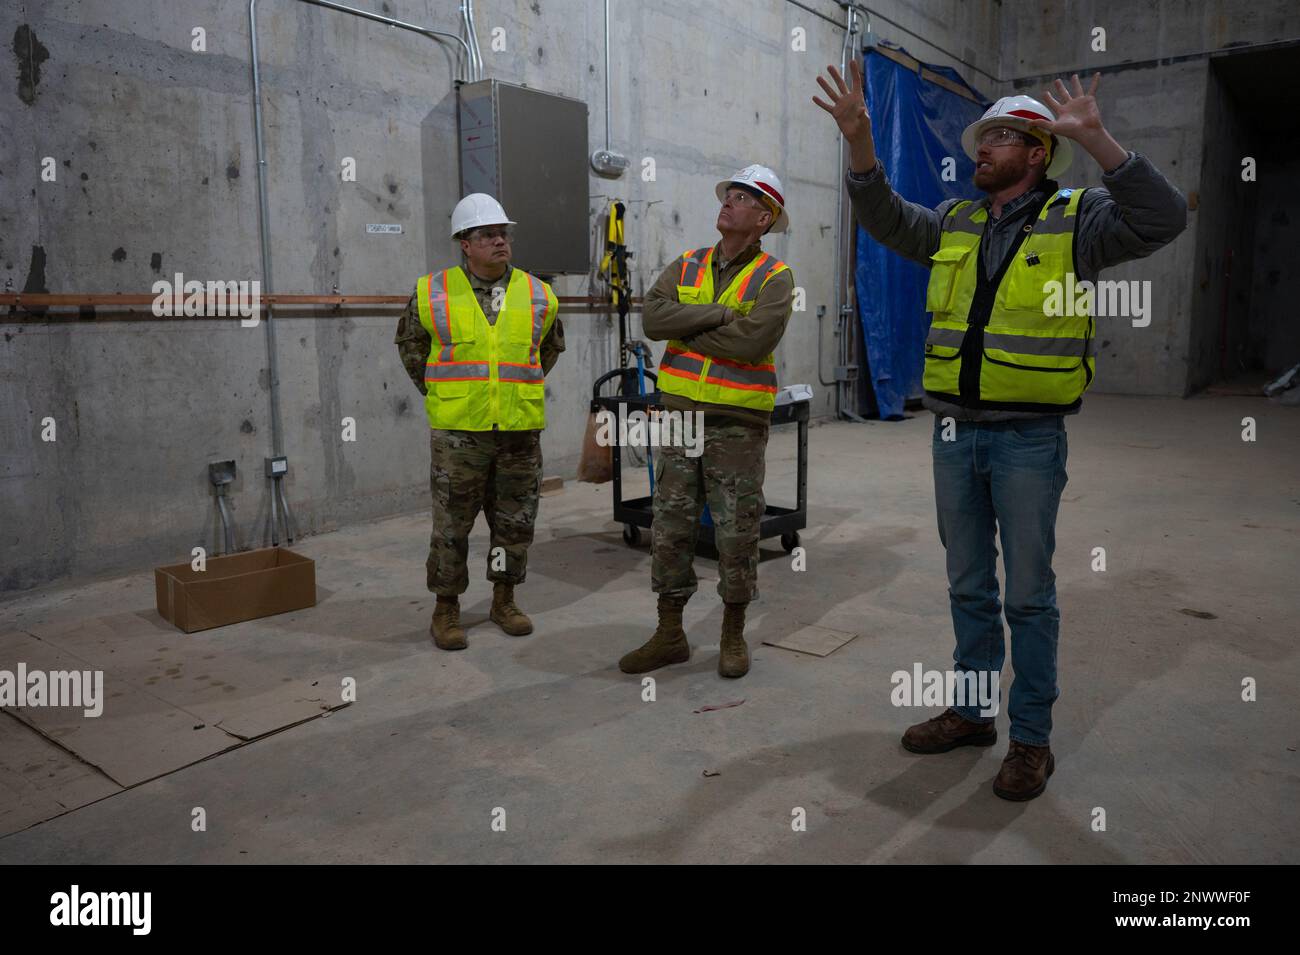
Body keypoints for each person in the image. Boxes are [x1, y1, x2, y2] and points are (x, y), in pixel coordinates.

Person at [814, 63, 1186, 799]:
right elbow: (885, 215)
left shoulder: (1081, 220)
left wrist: (1102, 140)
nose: (981, 149)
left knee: (1028, 596)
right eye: (981, 140)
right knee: (968, 584)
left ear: (1038, 151)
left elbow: (1164, 219)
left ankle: (1032, 739)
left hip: (1027, 439)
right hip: (954, 434)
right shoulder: (956, 220)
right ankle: (974, 711)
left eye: (999, 139)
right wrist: (860, 140)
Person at [618, 165, 796, 679]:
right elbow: (653, 320)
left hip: (735, 423)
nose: (729, 202)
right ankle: (670, 633)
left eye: (742, 198)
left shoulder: (775, 278)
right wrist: (719, 315)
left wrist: (687, 326)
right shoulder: (689, 262)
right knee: (670, 526)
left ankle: (731, 633)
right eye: (729, 194)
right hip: (677, 415)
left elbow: (752, 343)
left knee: (736, 530)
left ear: (763, 219)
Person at [394, 193, 564, 650]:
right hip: (458, 434)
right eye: (487, 234)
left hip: (519, 432)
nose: (499, 241)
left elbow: (548, 350)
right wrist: (445, 391)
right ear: (464, 244)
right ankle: (445, 609)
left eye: (503, 233)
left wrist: (510, 390)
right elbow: (412, 347)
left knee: (514, 523)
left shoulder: (538, 293)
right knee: (452, 525)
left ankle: (503, 600)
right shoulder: (432, 291)